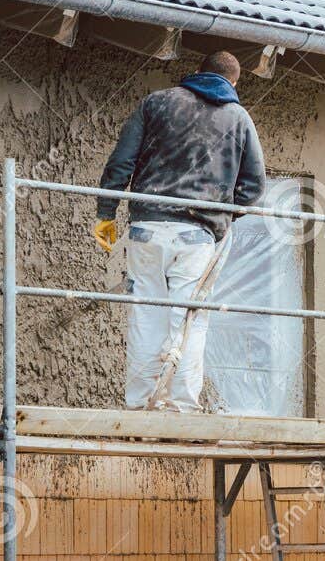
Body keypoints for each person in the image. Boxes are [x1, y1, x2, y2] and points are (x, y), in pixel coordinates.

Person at [94, 50, 265, 411]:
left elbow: (120, 163)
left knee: (145, 316)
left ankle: (139, 406)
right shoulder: (238, 117)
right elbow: (254, 186)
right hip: (198, 235)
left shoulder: (156, 103)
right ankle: (182, 409)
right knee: (190, 320)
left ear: (197, 72)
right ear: (233, 83)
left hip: (147, 227)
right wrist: (221, 216)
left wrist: (105, 214)